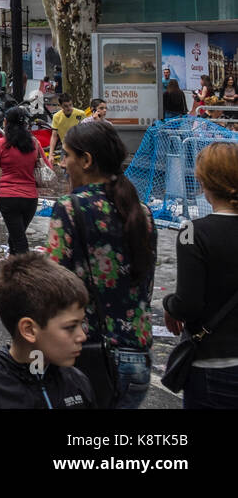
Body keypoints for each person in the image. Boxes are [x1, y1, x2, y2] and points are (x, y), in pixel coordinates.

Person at [47, 118, 156, 408]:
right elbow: (145, 282)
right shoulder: (141, 210)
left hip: (89, 352)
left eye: (66, 155)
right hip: (138, 357)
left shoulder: (70, 207)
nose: (63, 163)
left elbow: (54, 284)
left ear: (86, 160)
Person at [164, 142, 238, 408]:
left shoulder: (192, 232)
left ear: (205, 182)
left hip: (214, 363)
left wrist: (168, 304)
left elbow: (189, 303)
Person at [0, 253, 95, 408]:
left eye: (82, 324)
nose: (82, 336)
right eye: (70, 327)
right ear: (29, 330)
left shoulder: (77, 382)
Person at [0, 107, 48, 256]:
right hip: (30, 199)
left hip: (9, 198)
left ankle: (27, 273)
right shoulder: (34, 143)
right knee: (16, 236)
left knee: (19, 240)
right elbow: (47, 167)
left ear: (5, 122)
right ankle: (14, 271)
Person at [49, 92, 85, 167]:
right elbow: (54, 136)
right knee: (65, 170)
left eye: (70, 105)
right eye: (65, 106)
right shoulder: (56, 116)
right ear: (60, 106)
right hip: (65, 147)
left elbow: (86, 131)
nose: (69, 108)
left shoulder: (81, 114)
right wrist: (51, 154)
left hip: (80, 146)